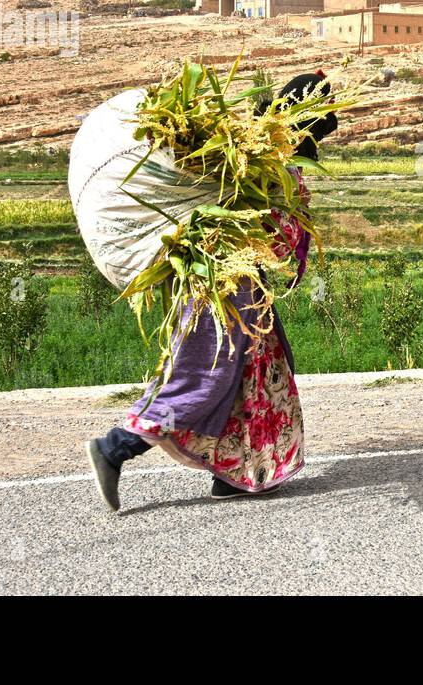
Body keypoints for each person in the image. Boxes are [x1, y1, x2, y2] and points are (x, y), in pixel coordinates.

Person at [85, 72, 338, 512]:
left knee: (253, 375)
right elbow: (277, 236)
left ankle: (239, 474)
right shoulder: (279, 165)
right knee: (204, 374)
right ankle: (117, 446)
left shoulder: (254, 152)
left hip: (236, 283)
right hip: (226, 285)